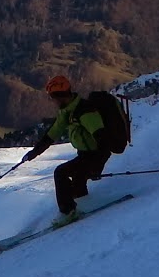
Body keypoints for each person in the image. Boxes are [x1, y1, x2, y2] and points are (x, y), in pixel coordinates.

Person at [20, 75, 111, 222]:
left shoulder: (84, 111)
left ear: (59, 96)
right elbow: (53, 133)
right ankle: (84, 203)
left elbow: (103, 138)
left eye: (52, 97)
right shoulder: (67, 111)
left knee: (61, 173)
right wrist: (34, 153)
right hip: (85, 154)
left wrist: (97, 165)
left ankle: (67, 212)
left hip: (94, 154)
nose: (53, 101)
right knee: (78, 179)